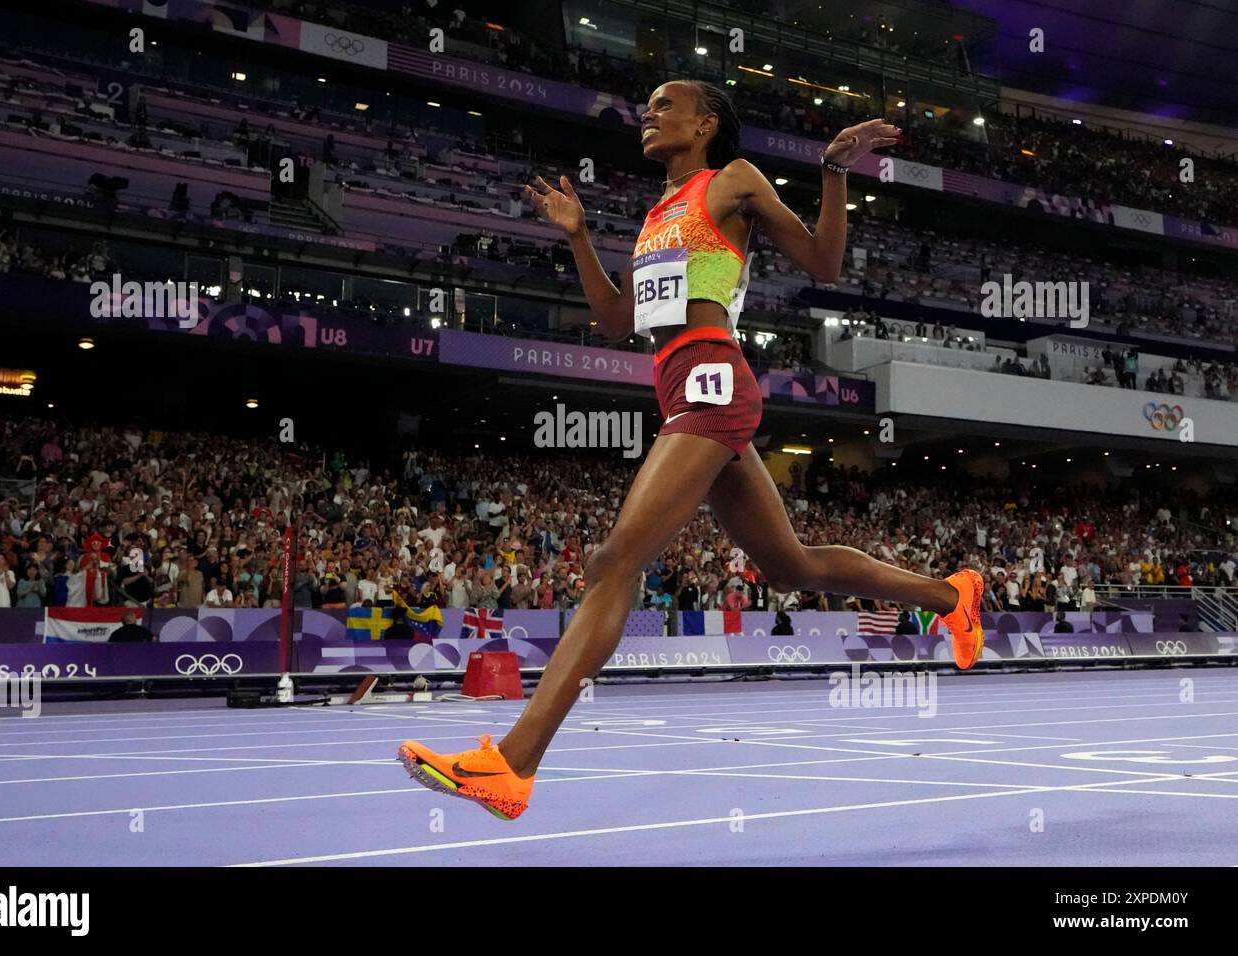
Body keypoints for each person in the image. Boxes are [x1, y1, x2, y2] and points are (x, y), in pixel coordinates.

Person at [398, 80, 984, 822]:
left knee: (613, 563)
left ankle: (513, 764)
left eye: (665, 105)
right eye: (647, 106)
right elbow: (617, 321)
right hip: (677, 390)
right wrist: (579, 236)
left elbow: (824, 264)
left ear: (706, 124)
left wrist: (833, 171)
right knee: (789, 566)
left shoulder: (733, 181)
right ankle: (950, 595)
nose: (648, 113)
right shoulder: (653, 217)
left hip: (713, 382)